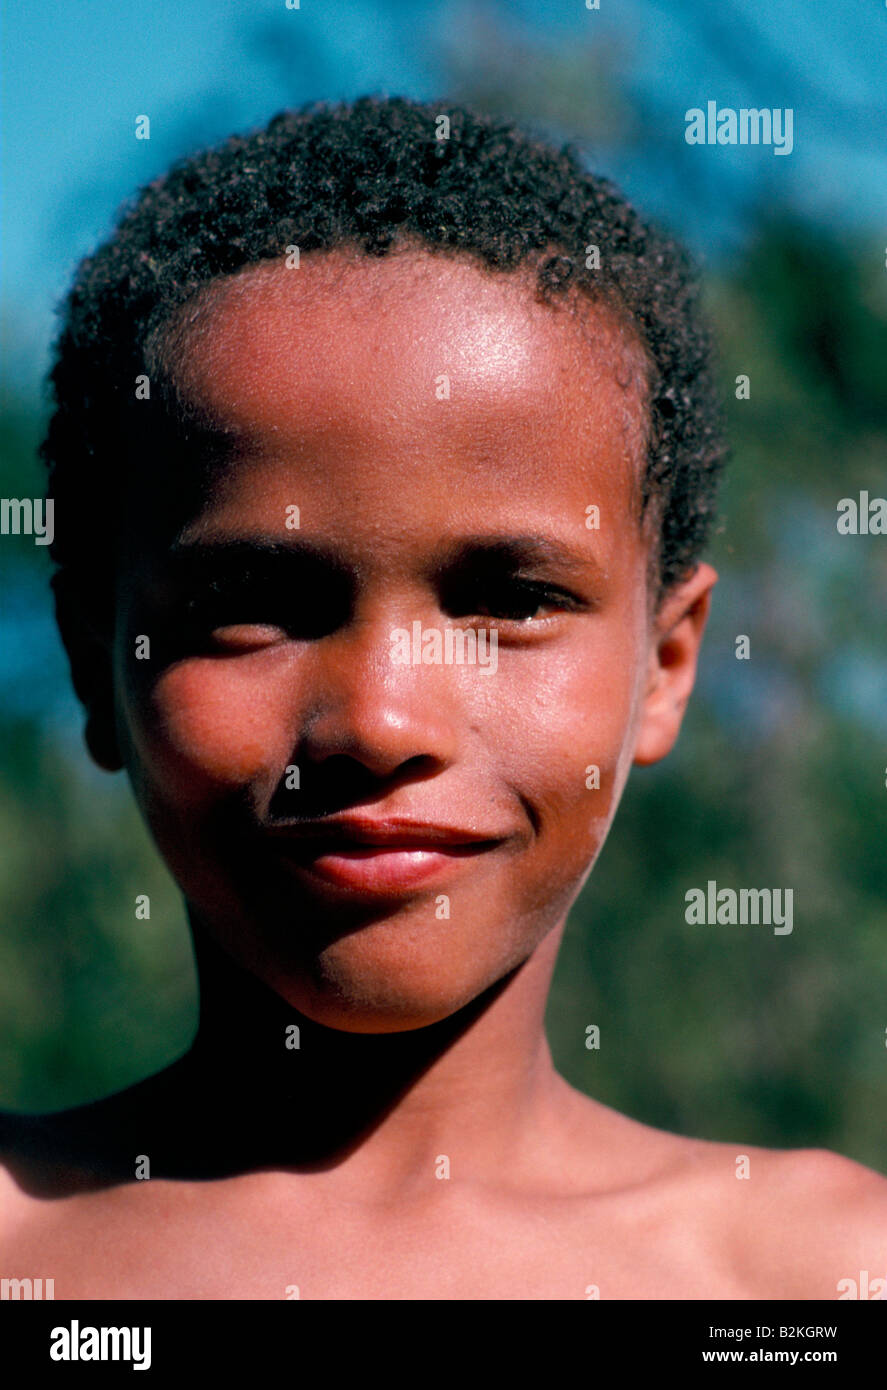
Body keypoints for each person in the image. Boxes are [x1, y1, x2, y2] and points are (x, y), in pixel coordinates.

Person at [2, 96, 884, 1300]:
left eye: (510, 600)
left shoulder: (811, 1277)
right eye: (252, 601)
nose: (379, 721)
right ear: (92, 658)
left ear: (666, 666)